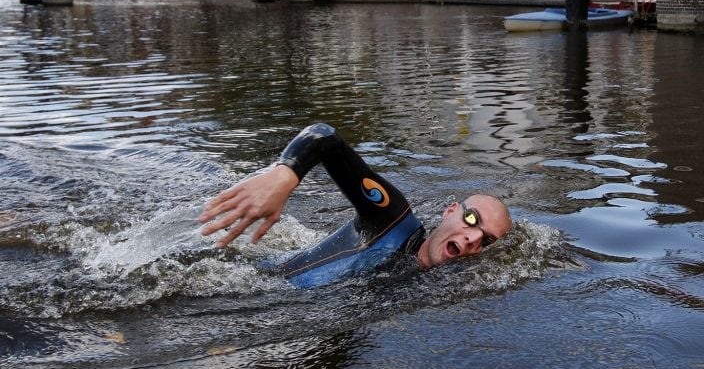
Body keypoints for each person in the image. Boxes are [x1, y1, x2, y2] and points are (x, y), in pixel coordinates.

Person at [198, 123, 512, 288]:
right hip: (244, 283)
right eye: (472, 219)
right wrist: (284, 176)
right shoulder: (392, 219)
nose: (473, 237)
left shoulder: (445, 286)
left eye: (485, 240)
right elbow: (325, 138)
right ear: (450, 211)